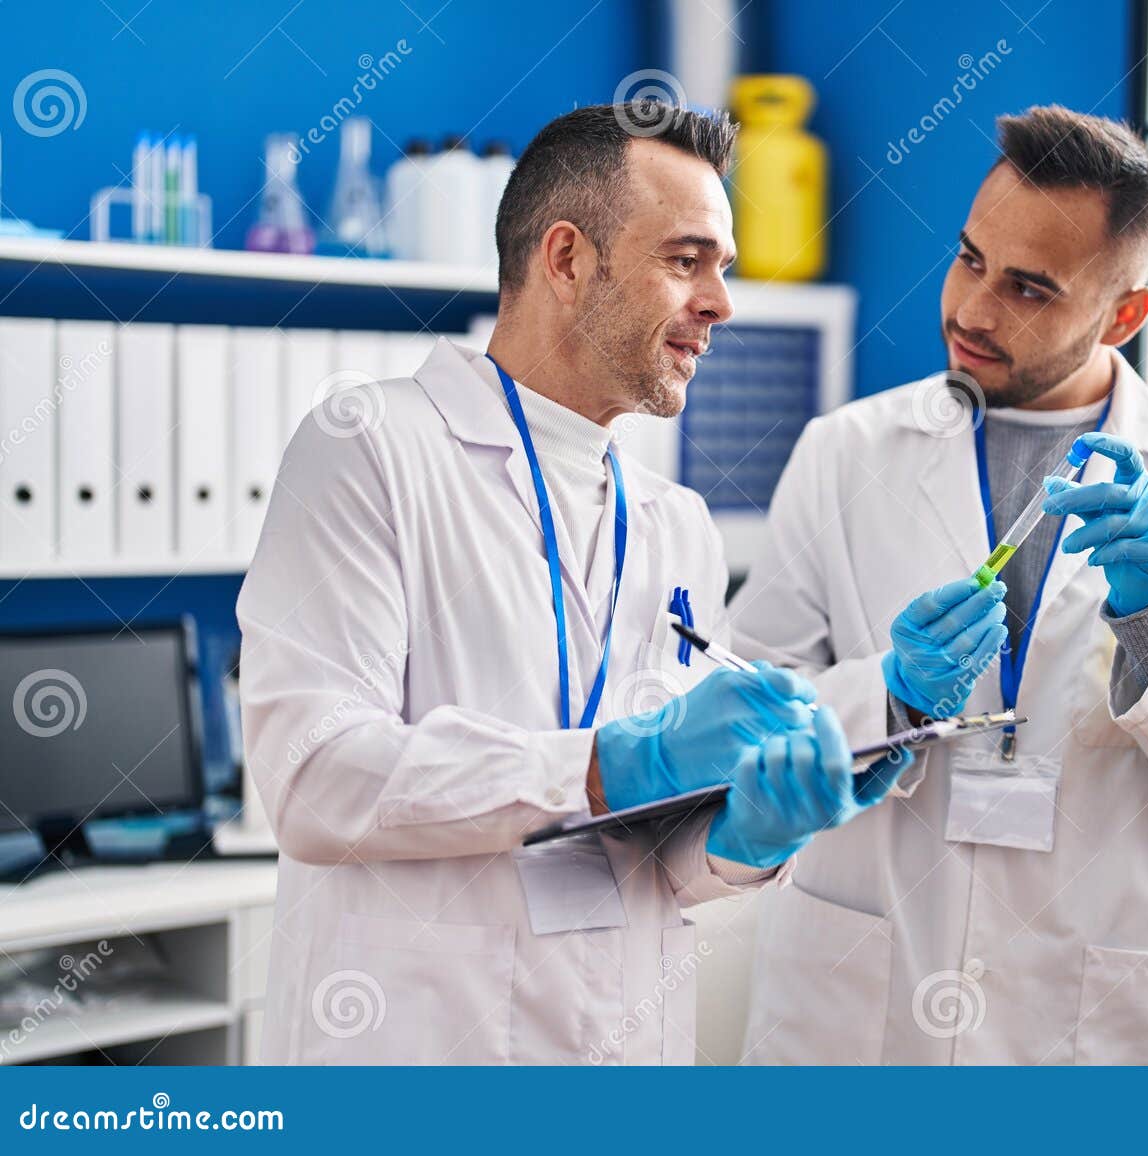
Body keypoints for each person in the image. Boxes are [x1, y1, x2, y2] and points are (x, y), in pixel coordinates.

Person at [237, 102, 899, 1065]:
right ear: (565, 258)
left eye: (726, 267)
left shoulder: (676, 526)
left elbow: (653, 858)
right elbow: (314, 778)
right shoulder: (370, 448)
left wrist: (747, 837)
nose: (722, 302)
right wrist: (604, 764)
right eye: (687, 260)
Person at [733, 105, 1148, 1064]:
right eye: (969, 258)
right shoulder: (843, 454)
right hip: (858, 1008)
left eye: (1029, 289)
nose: (973, 310)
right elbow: (744, 725)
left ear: (1124, 314)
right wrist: (884, 693)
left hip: (1075, 1023)